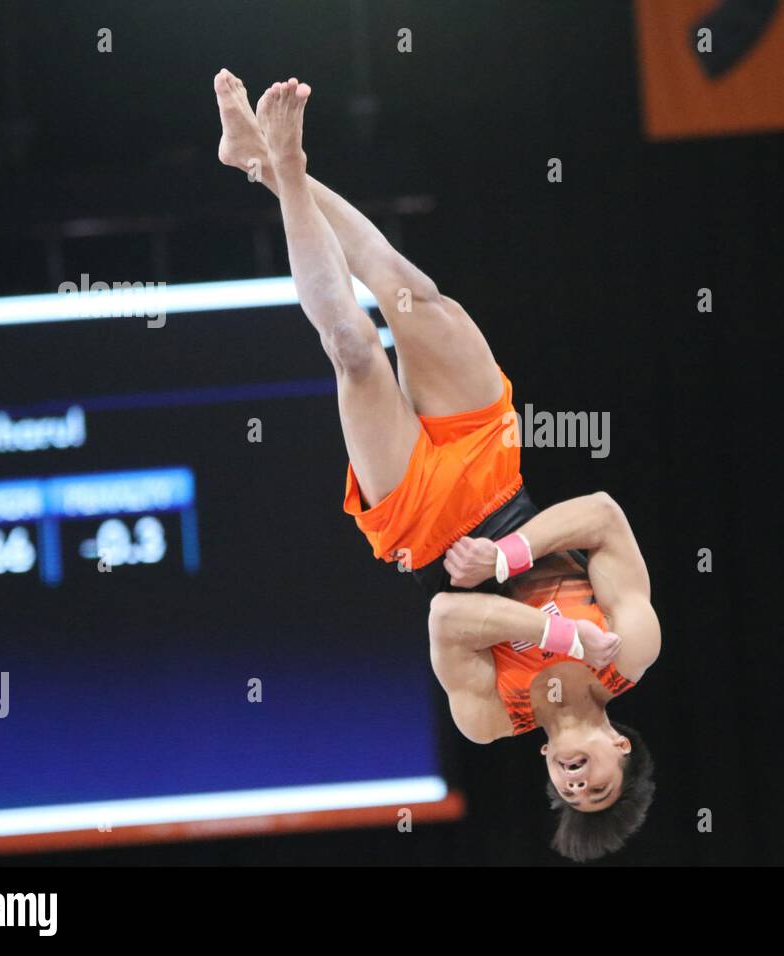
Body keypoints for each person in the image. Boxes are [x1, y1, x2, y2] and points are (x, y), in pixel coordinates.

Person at [216, 72, 661, 859]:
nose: (576, 784)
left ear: (549, 774)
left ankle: (285, 165)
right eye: (597, 786)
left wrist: (553, 629)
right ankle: (256, 161)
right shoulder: (631, 650)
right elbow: (601, 513)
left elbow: (446, 620)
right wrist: (512, 556)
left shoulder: (491, 720)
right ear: (619, 747)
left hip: (421, 522)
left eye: (568, 795)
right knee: (407, 290)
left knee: (354, 351)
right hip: (493, 470)